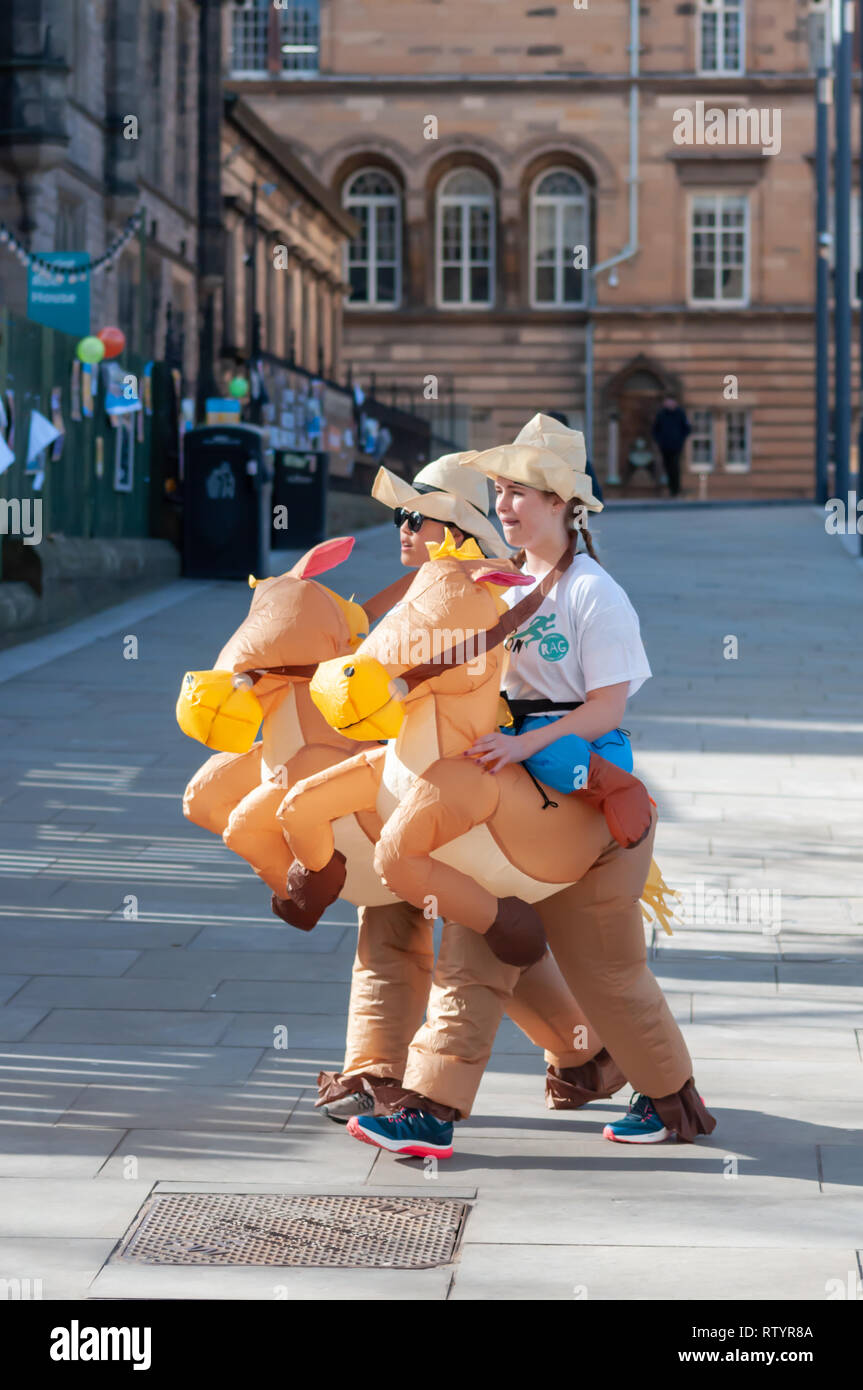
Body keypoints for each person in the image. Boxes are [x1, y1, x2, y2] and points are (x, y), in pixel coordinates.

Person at [347, 415, 716, 1156]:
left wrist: (525, 743)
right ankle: (430, 1110)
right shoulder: (497, 580)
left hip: (578, 791)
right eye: (500, 491)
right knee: (478, 941)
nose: (505, 505)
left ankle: (669, 1101)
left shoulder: (595, 594)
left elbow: (607, 707)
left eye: (520, 492)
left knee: (608, 975)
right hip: (506, 782)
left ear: (561, 504)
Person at [316, 448, 626, 1124]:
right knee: (401, 914)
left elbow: (595, 700)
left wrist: (522, 744)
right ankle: (379, 1069)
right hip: (425, 772)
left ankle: (439, 1100)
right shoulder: (424, 587)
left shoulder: (501, 588)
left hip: (502, 780)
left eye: (416, 518)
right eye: (400, 517)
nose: (402, 529)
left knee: (478, 937)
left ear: (457, 531)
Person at [651, 394, 691, 498]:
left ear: (674, 403)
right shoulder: (661, 414)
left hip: (676, 446)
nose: (668, 404)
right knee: (668, 467)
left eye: (670, 401)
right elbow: (655, 430)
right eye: (666, 402)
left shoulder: (680, 414)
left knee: (675, 466)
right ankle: (672, 490)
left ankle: (676, 489)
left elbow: (687, 429)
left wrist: (680, 439)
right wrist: (660, 440)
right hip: (665, 446)